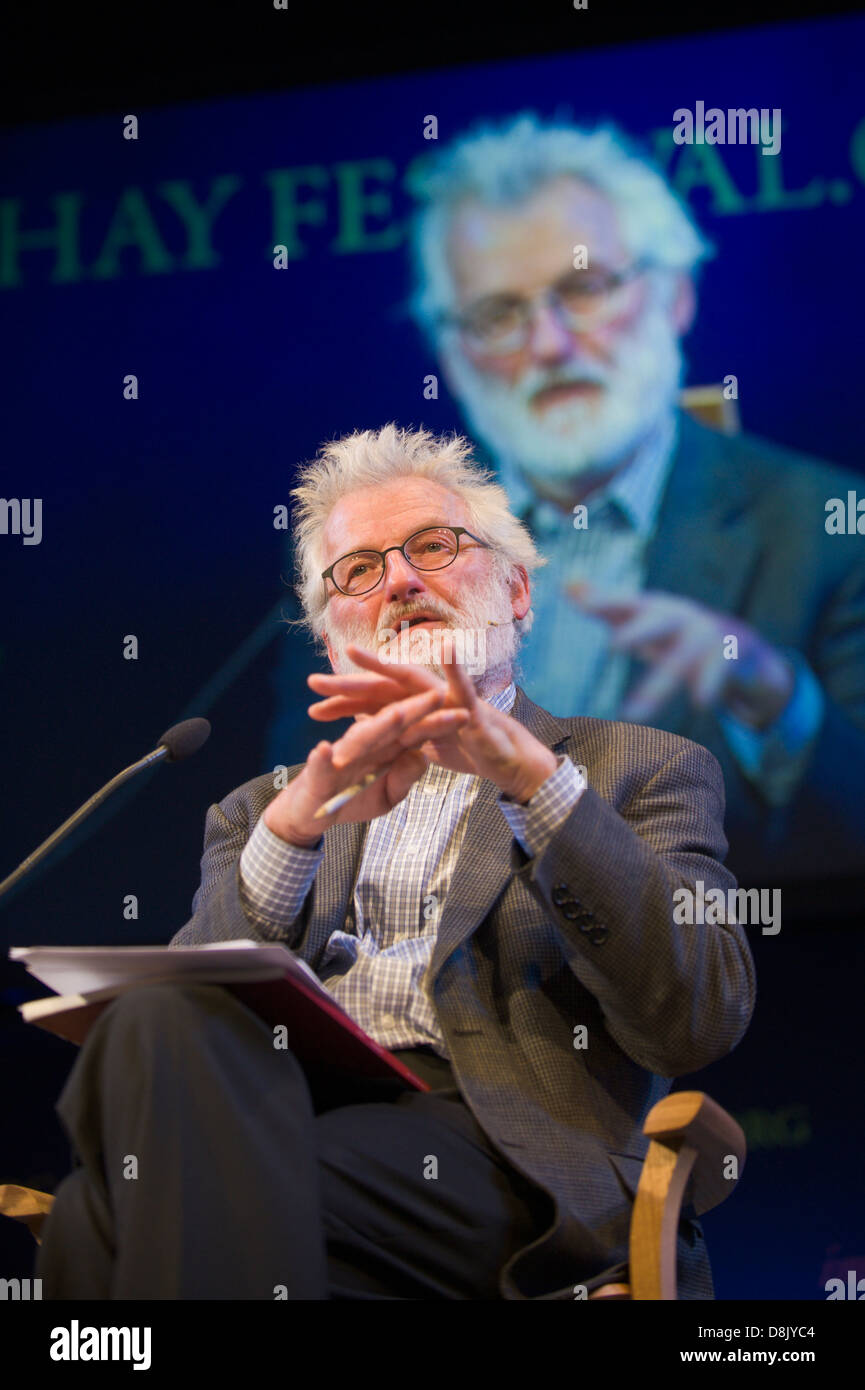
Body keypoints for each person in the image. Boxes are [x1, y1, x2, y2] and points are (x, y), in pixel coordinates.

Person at [37, 425, 755, 1301]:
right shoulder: (261, 811)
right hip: (282, 1118)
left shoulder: (642, 767)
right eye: (359, 571)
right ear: (330, 639)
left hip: (501, 1162)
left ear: (517, 588)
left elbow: (696, 1014)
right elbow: (194, 1027)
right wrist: (293, 837)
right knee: (146, 1048)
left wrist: (532, 783)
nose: (402, 583)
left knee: (104, 1224)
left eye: (432, 547)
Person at [269, 112, 865, 885]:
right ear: (448, 348)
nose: (547, 344)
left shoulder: (827, 528)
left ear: (676, 294)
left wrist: (777, 706)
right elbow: (307, 823)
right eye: (496, 314)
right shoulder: (365, 557)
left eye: (583, 289)